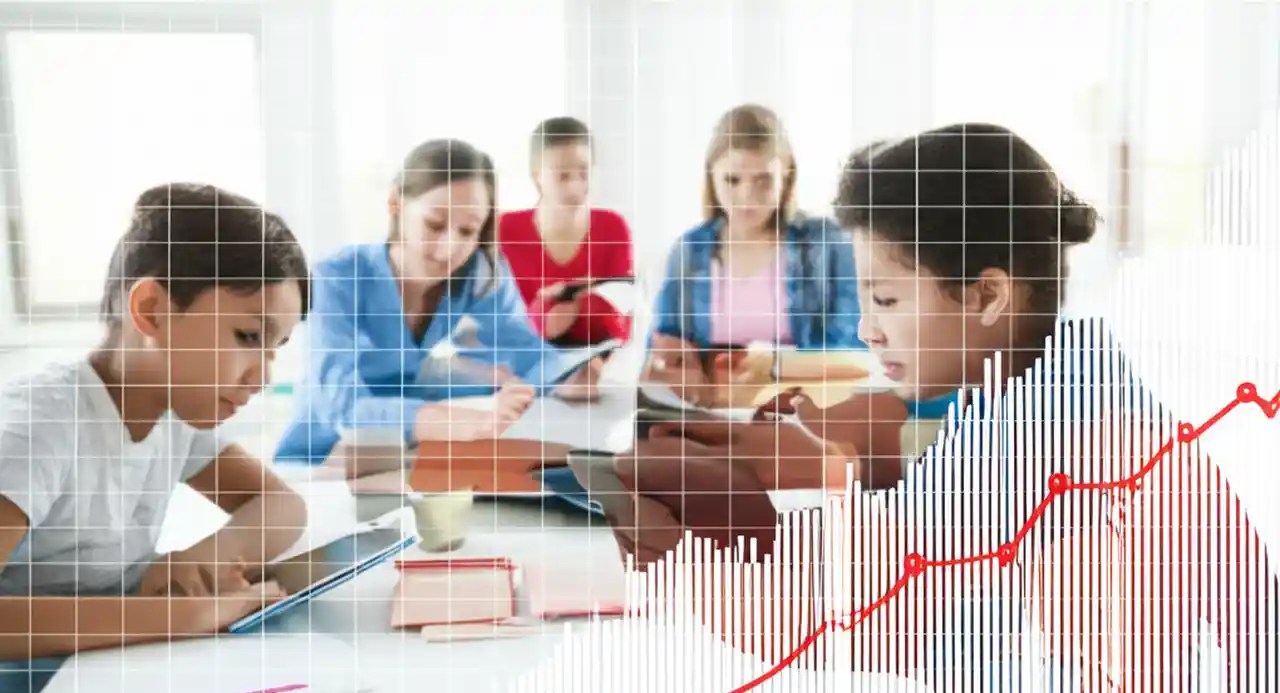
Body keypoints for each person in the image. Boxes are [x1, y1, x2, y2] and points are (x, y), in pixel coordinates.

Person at [610, 125, 1278, 693]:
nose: (868, 331)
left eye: (888, 299)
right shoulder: (1018, 384)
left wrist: (683, 569)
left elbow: (855, 619)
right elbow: (891, 537)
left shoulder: (1052, 420)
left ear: (988, 294)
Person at [0, 184, 310, 693]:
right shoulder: (42, 427)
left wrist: (203, 560)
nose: (261, 377)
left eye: (275, 349)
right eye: (246, 336)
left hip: (103, 677)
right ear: (151, 310)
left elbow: (283, 506)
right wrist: (182, 618)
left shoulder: (174, 412)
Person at [275, 139, 602, 465]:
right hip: (322, 457)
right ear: (395, 203)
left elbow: (529, 353)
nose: (449, 249)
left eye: (467, 230)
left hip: (411, 454)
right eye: (434, 225)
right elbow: (342, 406)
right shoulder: (337, 279)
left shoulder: (479, 272)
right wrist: (470, 422)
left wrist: (568, 376)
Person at [643, 104, 864, 406]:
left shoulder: (826, 244)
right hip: (713, 411)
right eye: (732, 180)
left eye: (764, 180)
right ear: (712, 177)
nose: (747, 197)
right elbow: (660, 348)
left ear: (786, 177)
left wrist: (773, 369)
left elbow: (853, 350)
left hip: (803, 410)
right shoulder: (688, 251)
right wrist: (677, 368)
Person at [499, 117, 634, 346]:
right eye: (562, 176)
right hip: (527, 362)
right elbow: (498, 324)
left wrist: (579, 306)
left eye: (583, 173)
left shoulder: (613, 227)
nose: (574, 186)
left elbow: (623, 316)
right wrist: (542, 315)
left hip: (599, 359)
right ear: (537, 176)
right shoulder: (505, 230)